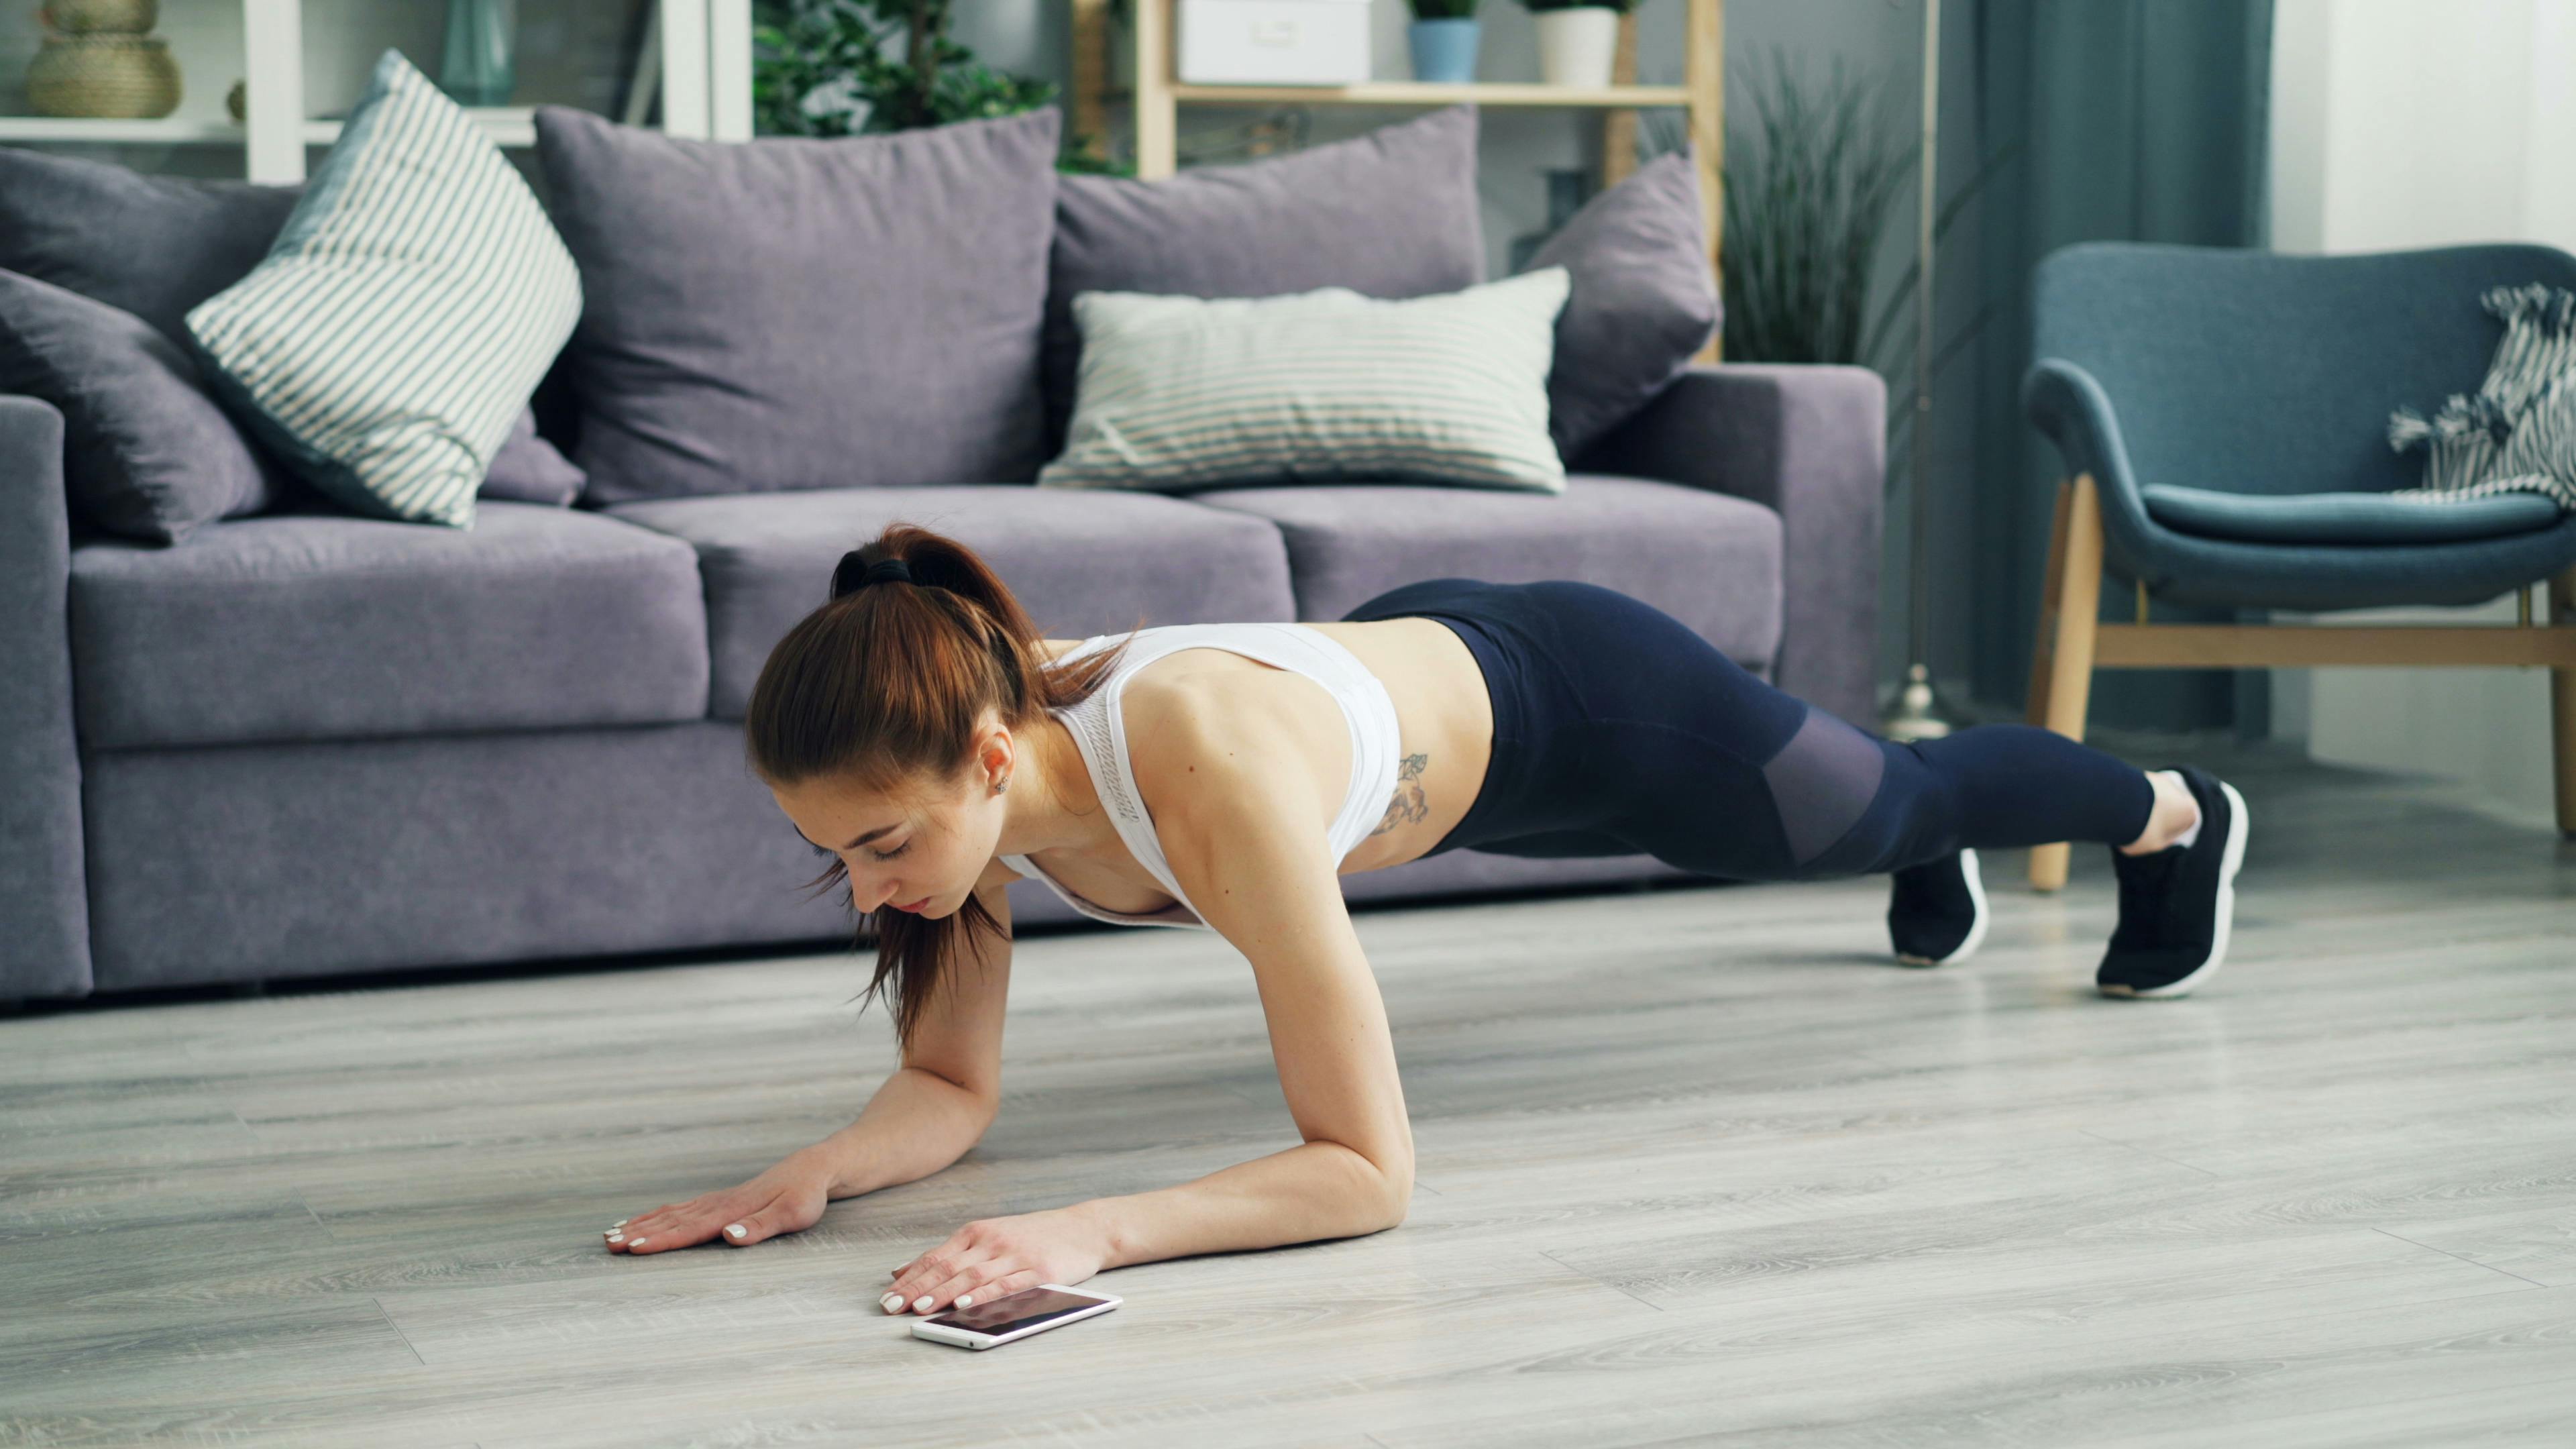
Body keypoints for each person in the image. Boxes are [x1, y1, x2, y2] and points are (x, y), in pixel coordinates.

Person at [598, 522, 2249, 1317]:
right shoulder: (958, 783)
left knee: (1900, 796)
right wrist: (807, 1170)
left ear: (989, 755)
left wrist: (1087, 1232)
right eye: (838, 859)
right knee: (1836, 822)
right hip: (1416, 718)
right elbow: (952, 1096)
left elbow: (1368, 1173)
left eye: (883, 845)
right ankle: (1896, 851)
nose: (871, 889)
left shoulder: (1205, 770)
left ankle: (2173, 814)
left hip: (1586, 703)